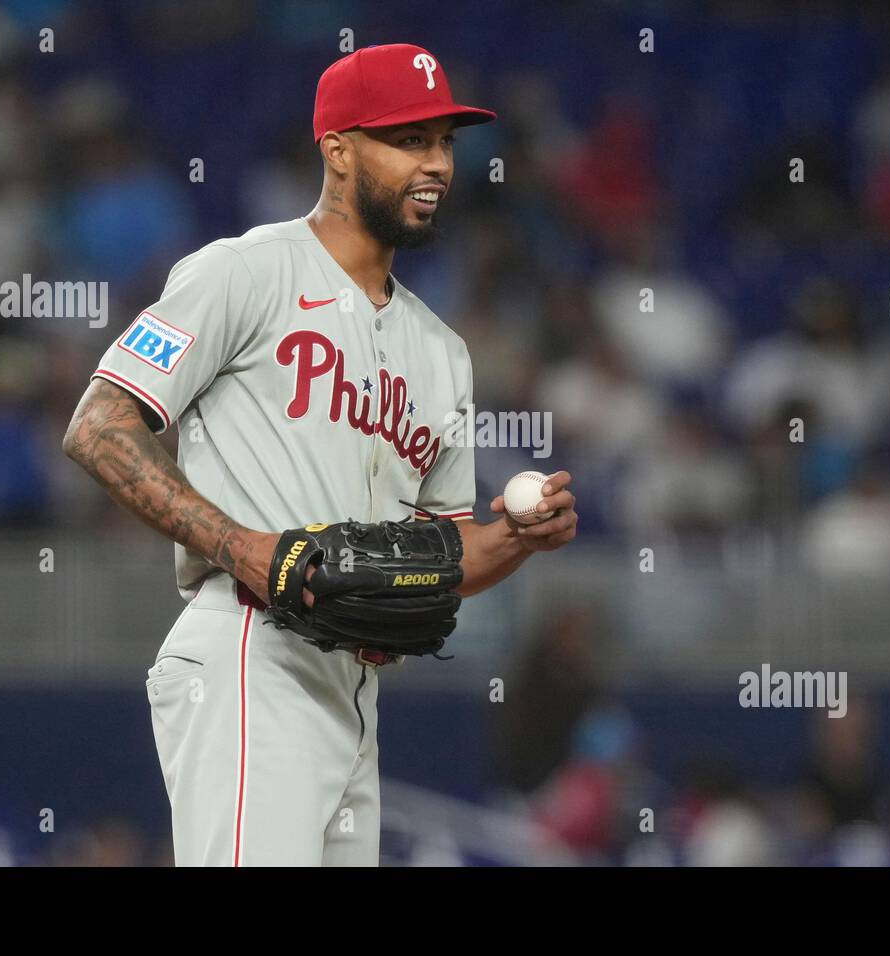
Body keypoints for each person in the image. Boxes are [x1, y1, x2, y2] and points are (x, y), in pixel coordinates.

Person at [62, 43, 578, 866]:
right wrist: (244, 548)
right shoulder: (244, 272)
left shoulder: (442, 352)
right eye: (408, 139)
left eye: (444, 141)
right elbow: (99, 425)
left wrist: (516, 538)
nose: (437, 163)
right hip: (247, 651)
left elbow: (444, 555)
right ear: (337, 149)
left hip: (353, 692)